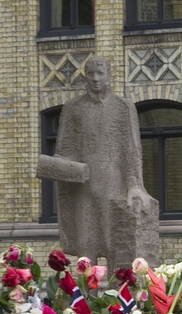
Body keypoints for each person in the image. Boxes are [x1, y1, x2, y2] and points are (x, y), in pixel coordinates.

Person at [52, 56, 159, 269]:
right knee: (86, 246)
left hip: (114, 185)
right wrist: (65, 166)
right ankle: (85, 300)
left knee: (116, 245)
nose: (95, 78)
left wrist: (135, 185)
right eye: (90, 73)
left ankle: (117, 300)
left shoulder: (122, 107)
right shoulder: (73, 108)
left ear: (108, 76)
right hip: (84, 187)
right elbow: (63, 150)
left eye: (100, 73)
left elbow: (132, 148)